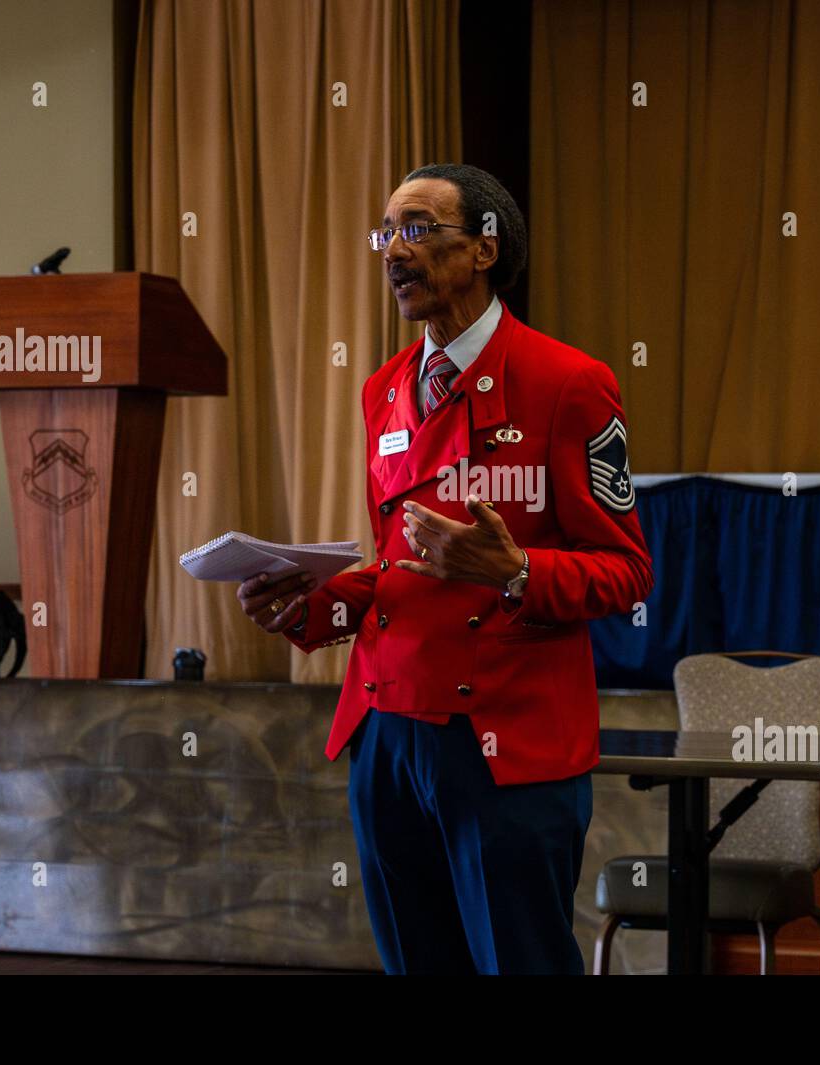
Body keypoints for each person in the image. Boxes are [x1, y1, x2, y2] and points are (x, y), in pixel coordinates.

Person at [237, 163, 653, 974]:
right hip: (387, 733)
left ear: (484, 249)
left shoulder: (570, 384)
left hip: (504, 741)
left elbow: (626, 571)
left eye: (418, 228)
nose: (393, 250)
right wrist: (312, 601)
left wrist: (515, 569)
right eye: (385, 232)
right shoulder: (383, 390)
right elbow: (400, 566)